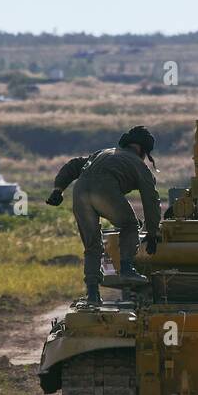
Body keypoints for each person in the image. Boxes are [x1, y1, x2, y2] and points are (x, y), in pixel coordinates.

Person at [46, 125, 161, 302]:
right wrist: (152, 233)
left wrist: (58, 189)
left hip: (80, 192)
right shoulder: (139, 165)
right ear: (143, 150)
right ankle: (126, 268)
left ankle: (92, 293)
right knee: (130, 224)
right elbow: (151, 200)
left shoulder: (103, 153)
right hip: (104, 189)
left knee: (92, 246)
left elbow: (74, 165)